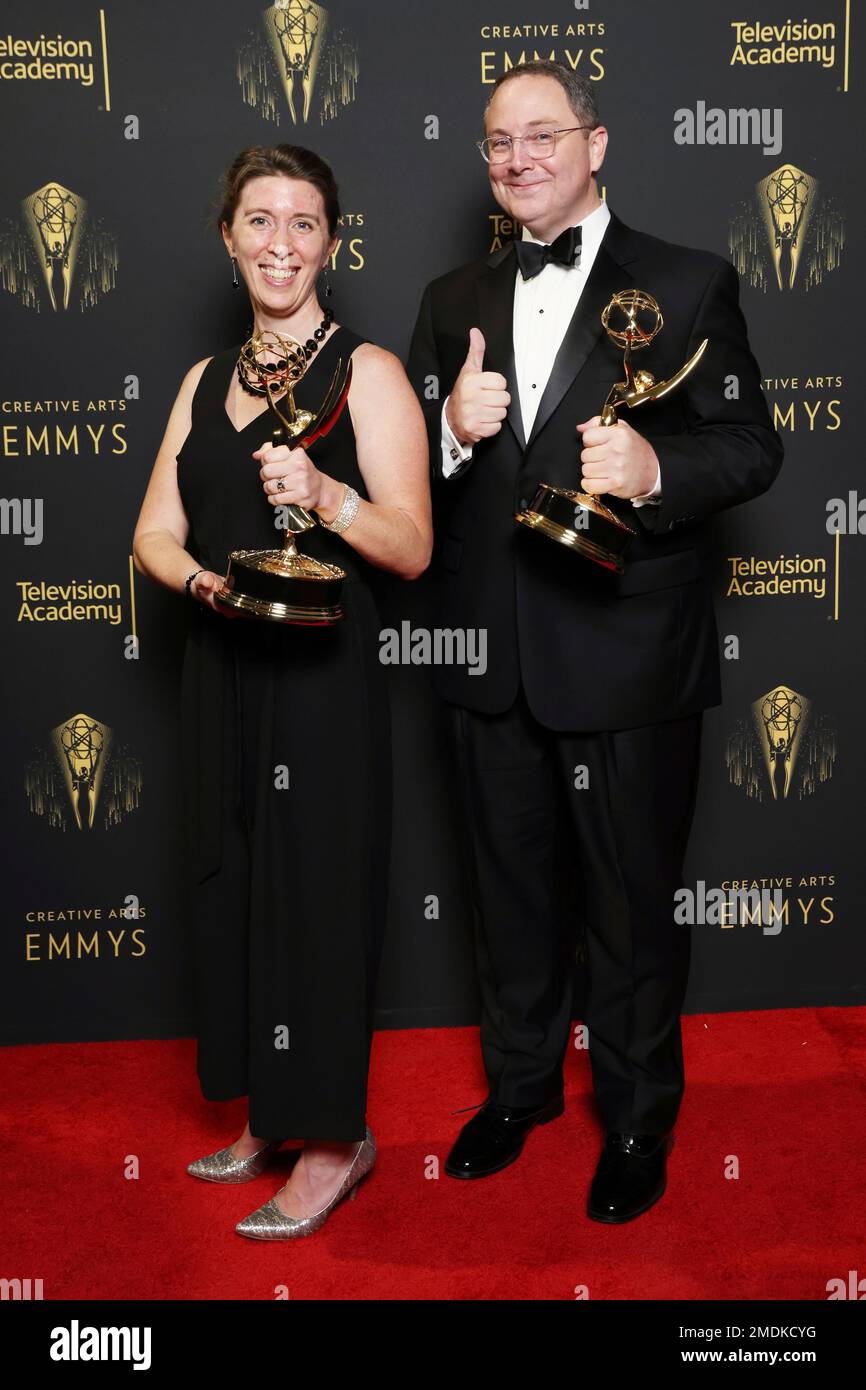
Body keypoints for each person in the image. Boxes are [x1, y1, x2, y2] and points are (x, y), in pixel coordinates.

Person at [407, 61, 783, 1222]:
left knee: (629, 903)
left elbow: (751, 447)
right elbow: (404, 481)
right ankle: (518, 1090)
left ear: (595, 142)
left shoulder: (685, 280)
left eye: (542, 135)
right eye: (497, 142)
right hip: (491, 654)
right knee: (506, 894)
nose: (519, 158)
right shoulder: (449, 295)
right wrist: (448, 432)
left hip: (624, 652)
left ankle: (633, 1119)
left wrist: (656, 466)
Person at [133, 144, 431, 1239]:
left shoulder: (372, 373)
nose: (279, 243)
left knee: (312, 899)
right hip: (223, 664)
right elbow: (152, 536)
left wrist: (332, 495)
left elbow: (409, 549)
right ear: (228, 239)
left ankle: (334, 1141)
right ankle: (270, 1112)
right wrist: (209, 585)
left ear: (332, 245)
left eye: (303, 223)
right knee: (237, 885)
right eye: (258, 221)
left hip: (321, 676)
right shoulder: (202, 384)